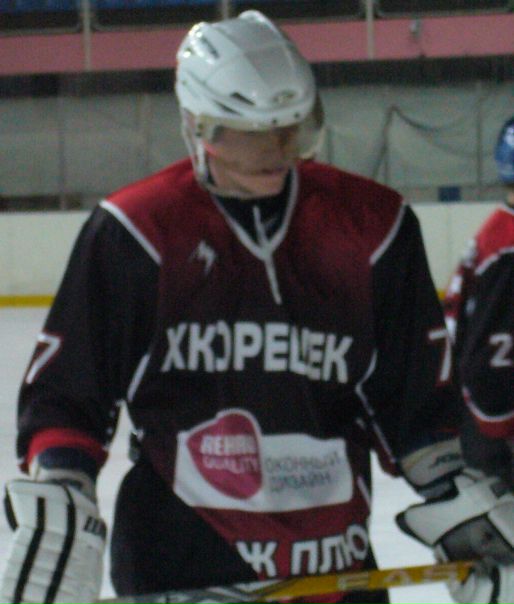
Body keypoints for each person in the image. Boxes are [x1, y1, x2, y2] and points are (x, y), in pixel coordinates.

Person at [1, 11, 513, 604]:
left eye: (291, 128)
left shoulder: (373, 228)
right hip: (181, 559)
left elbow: (412, 401)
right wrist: (64, 486)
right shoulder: (137, 233)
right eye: (248, 133)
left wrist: (457, 496)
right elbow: (69, 393)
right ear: (198, 125)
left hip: (334, 560)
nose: (276, 149)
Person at [443, 116, 514, 489]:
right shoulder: (507, 248)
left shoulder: (499, 232)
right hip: (495, 434)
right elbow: (489, 358)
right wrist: (496, 428)